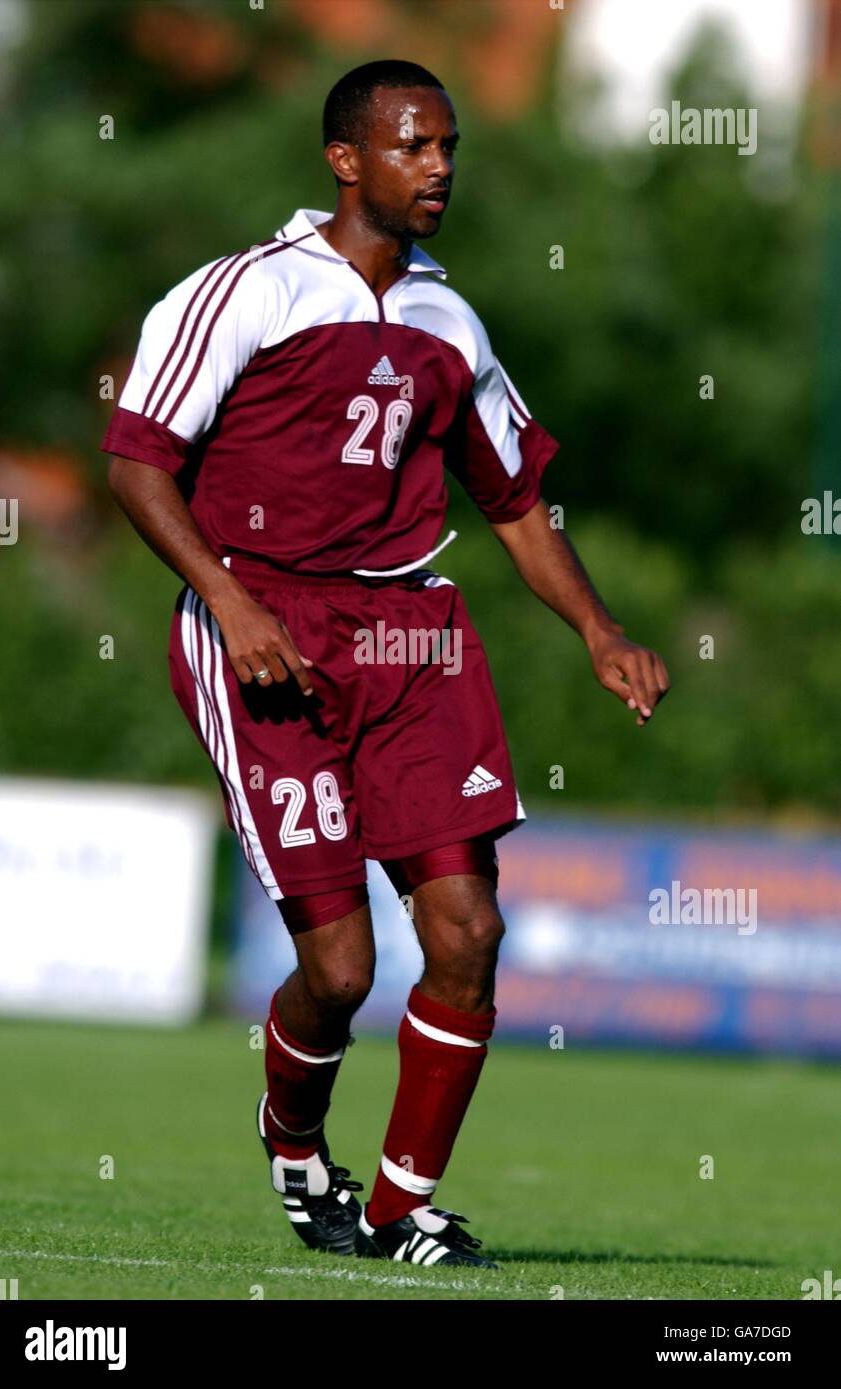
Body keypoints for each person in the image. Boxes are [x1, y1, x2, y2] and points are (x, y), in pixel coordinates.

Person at [103, 59, 669, 1270]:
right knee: (341, 965)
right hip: (264, 633)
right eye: (414, 147)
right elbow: (137, 464)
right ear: (345, 160)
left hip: (412, 635)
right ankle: (294, 1138)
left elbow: (515, 501)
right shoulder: (244, 292)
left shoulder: (447, 321)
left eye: (450, 148)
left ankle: (403, 1206)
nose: (440, 169)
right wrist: (226, 600)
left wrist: (599, 628)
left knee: (466, 931)